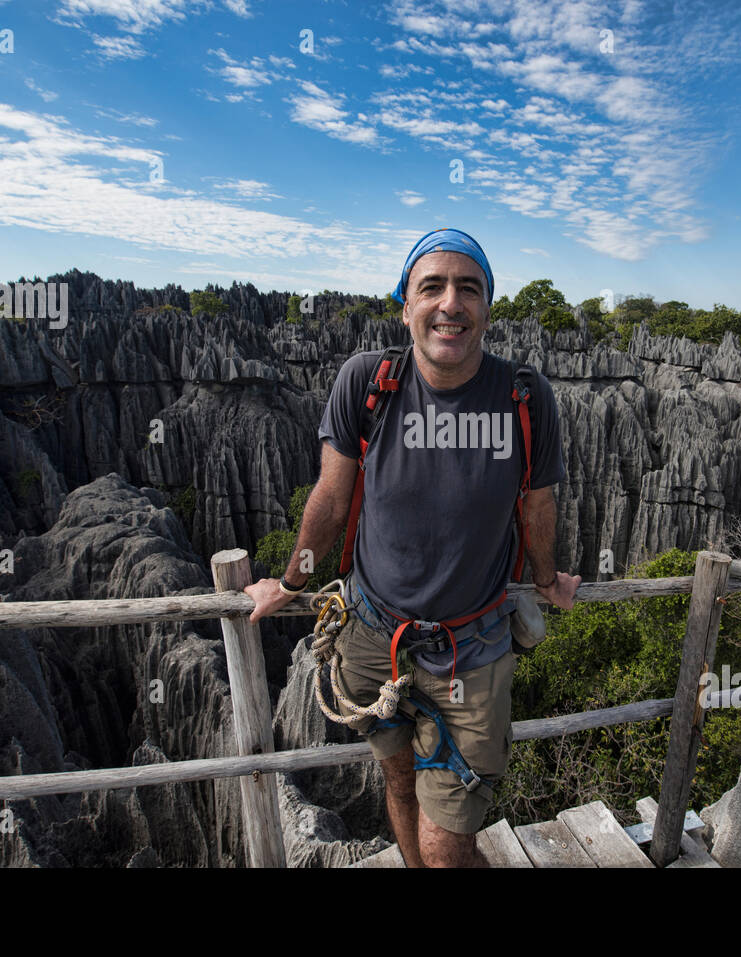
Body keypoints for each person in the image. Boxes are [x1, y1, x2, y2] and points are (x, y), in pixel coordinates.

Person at [246, 227, 580, 867]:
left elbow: (538, 504)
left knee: (446, 839)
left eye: (468, 289)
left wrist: (545, 579)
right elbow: (331, 499)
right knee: (398, 780)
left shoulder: (525, 398)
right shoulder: (365, 382)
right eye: (433, 287)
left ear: (486, 308)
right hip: (373, 638)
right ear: (406, 305)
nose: (450, 303)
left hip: (471, 651)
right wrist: (290, 584)